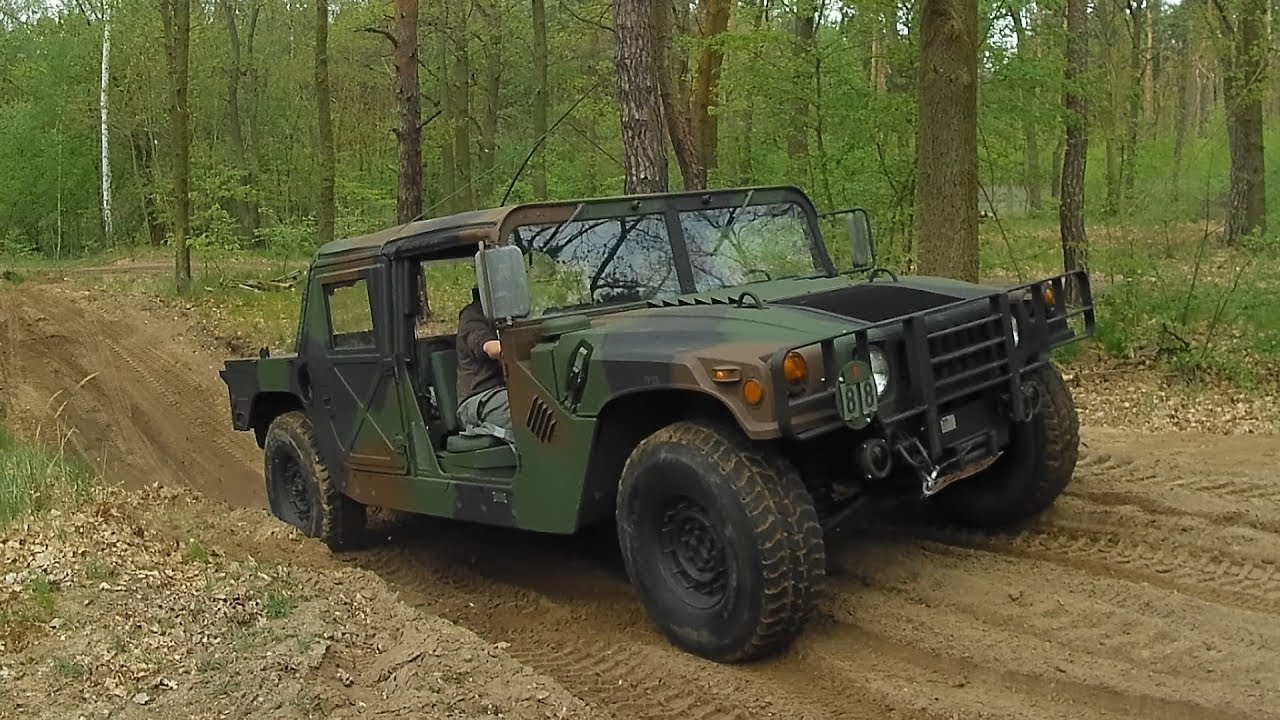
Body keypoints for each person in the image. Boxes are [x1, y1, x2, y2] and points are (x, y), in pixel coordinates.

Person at [455, 287, 513, 442]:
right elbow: (490, 348)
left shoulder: (512, 313)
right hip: (479, 398)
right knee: (529, 413)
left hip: (508, 389)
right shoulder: (472, 316)